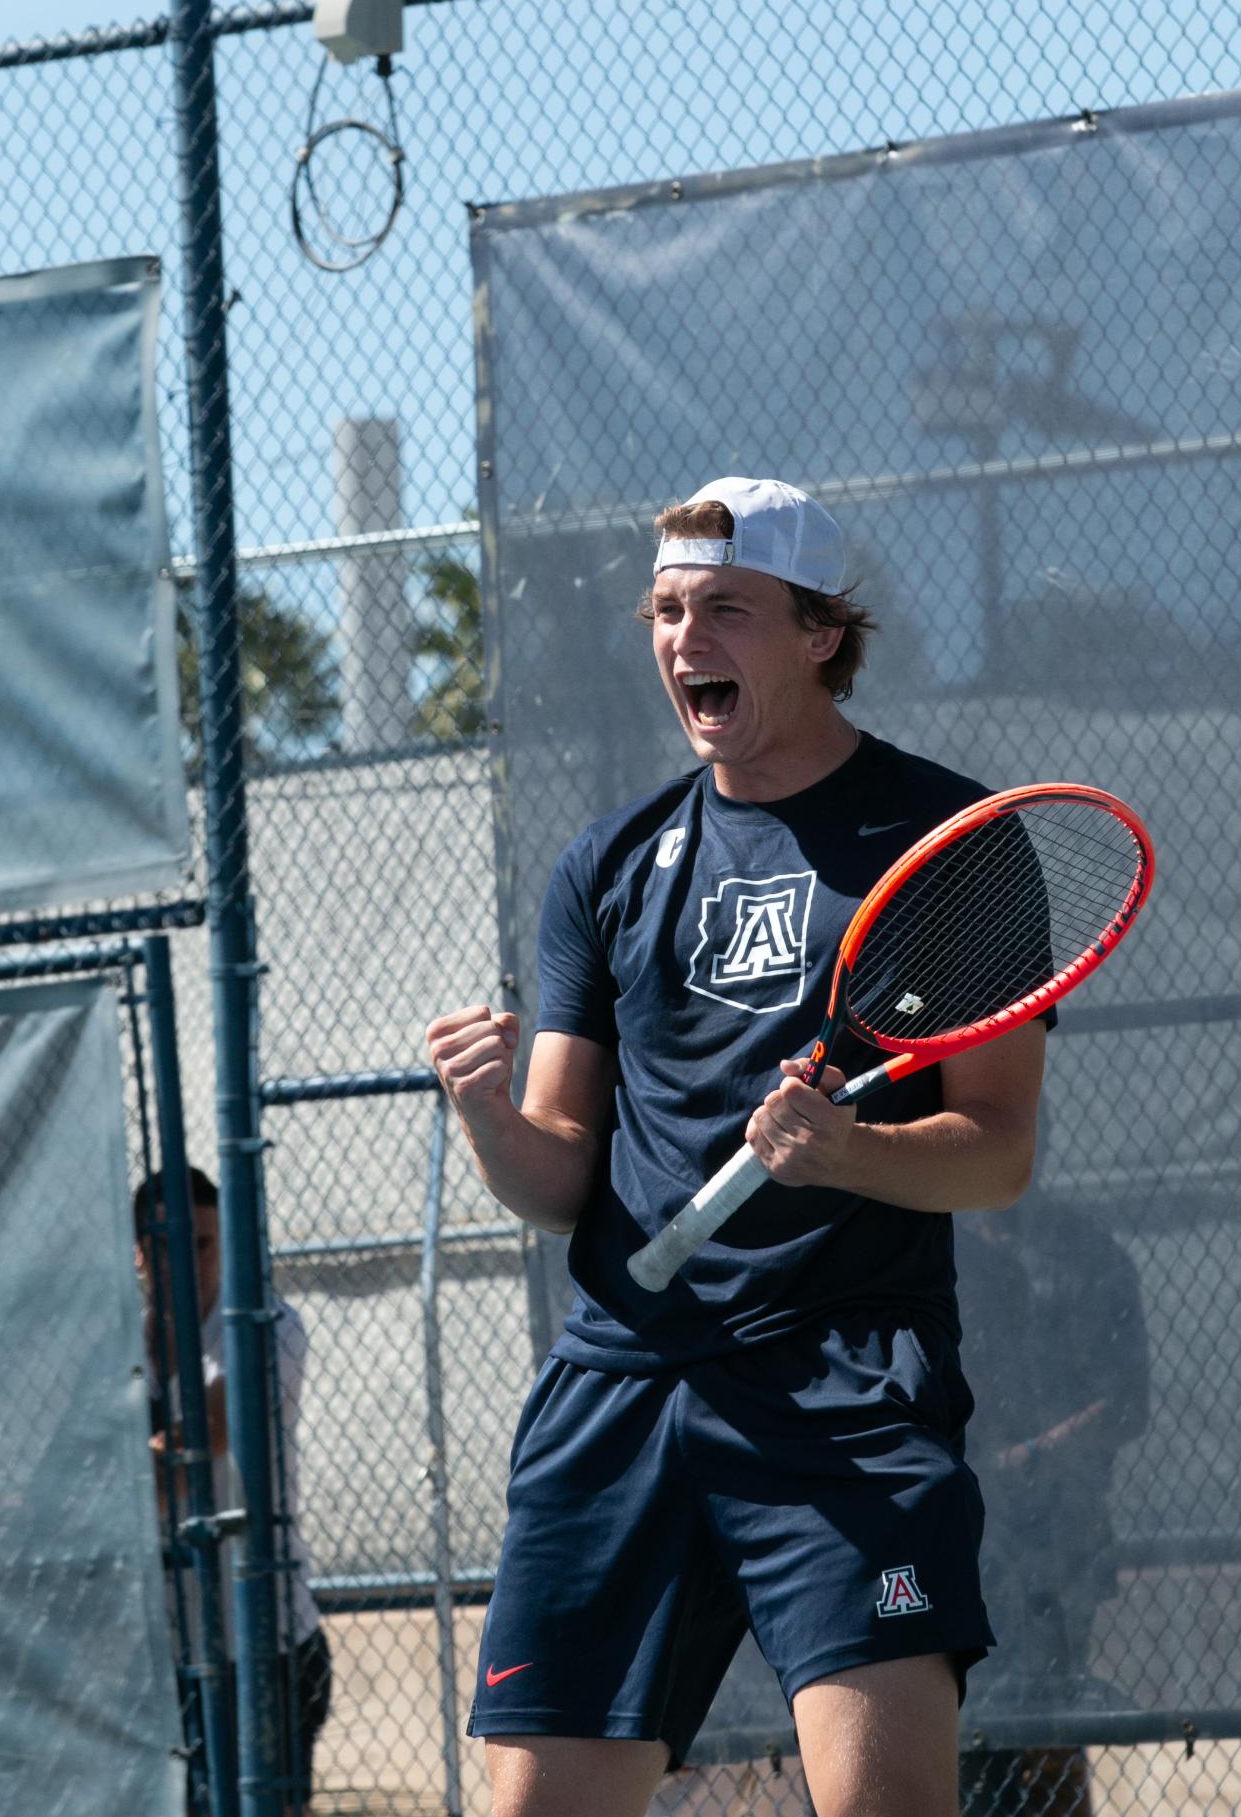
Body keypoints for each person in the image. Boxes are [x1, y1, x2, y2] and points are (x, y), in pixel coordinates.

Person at [427, 477, 1049, 1817]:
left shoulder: (952, 846)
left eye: (723, 609)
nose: (680, 638)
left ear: (819, 631)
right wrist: (488, 1121)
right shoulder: (604, 867)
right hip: (618, 1387)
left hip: (843, 1391)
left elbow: (995, 1152)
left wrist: (841, 1152)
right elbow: (555, 1175)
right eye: (663, 609)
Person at [133, 1165, 332, 1816]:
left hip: (266, 1646)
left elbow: (196, 1446)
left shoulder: (268, 1326)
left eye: (202, 1245)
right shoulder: (119, 1344)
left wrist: (124, 1471)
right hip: (169, 1653)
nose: (186, 1263)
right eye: (166, 1245)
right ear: (138, 1252)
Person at [954, 1192, 1150, 1817]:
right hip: (958, 1528)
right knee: (956, 1729)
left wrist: (1036, 1454)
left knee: (1047, 1726)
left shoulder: (1085, 1252)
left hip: (1059, 1534)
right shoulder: (937, 1245)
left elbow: (1127, 1402)